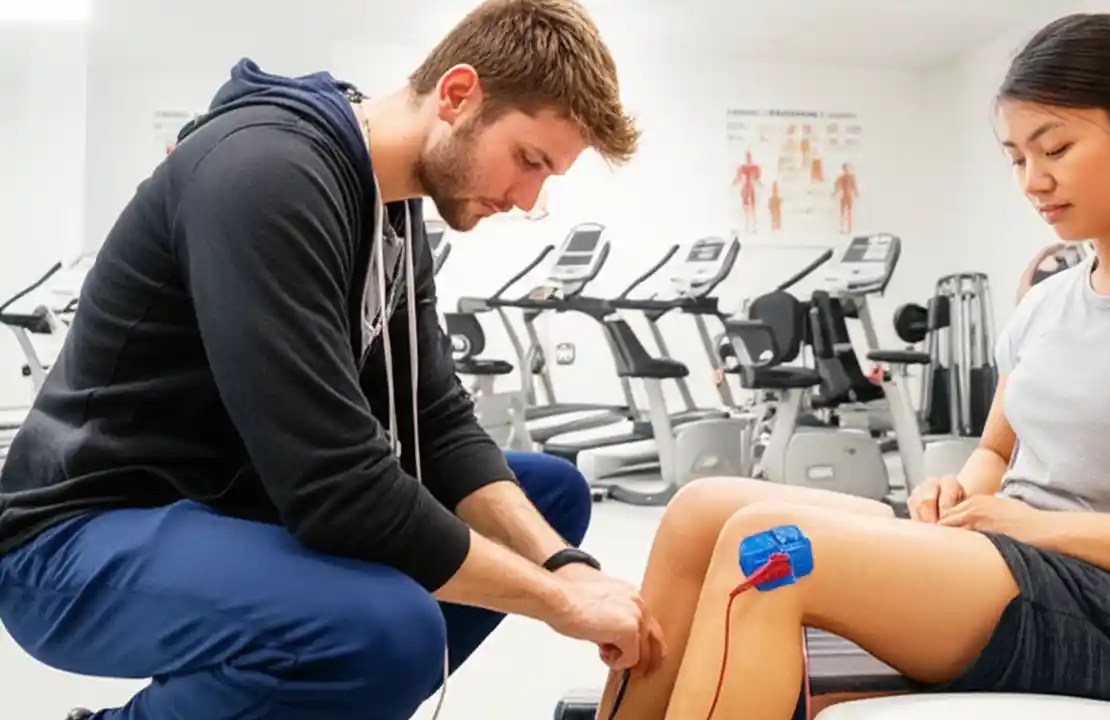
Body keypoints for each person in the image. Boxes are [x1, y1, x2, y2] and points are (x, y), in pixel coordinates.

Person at [596, 13, 1110, 720]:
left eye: (1056, 149)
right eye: (1016, 158)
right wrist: (954, 492)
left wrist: (1043, 529)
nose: (1033, 181)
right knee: (700, 511)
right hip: (1006, 560)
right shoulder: (1048, 303)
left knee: (771, 550)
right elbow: (995, 451)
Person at [0, 1, 666, 719]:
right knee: (384, 629)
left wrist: (565, 565)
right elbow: (336, 488)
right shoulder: (266, 173)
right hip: (76, 542)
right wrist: (561, 601)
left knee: (548, 498)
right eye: (528, 160)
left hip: (228, 507)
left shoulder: (389, 205)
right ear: (458, 94)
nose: (527, 197)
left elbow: (437, 421)